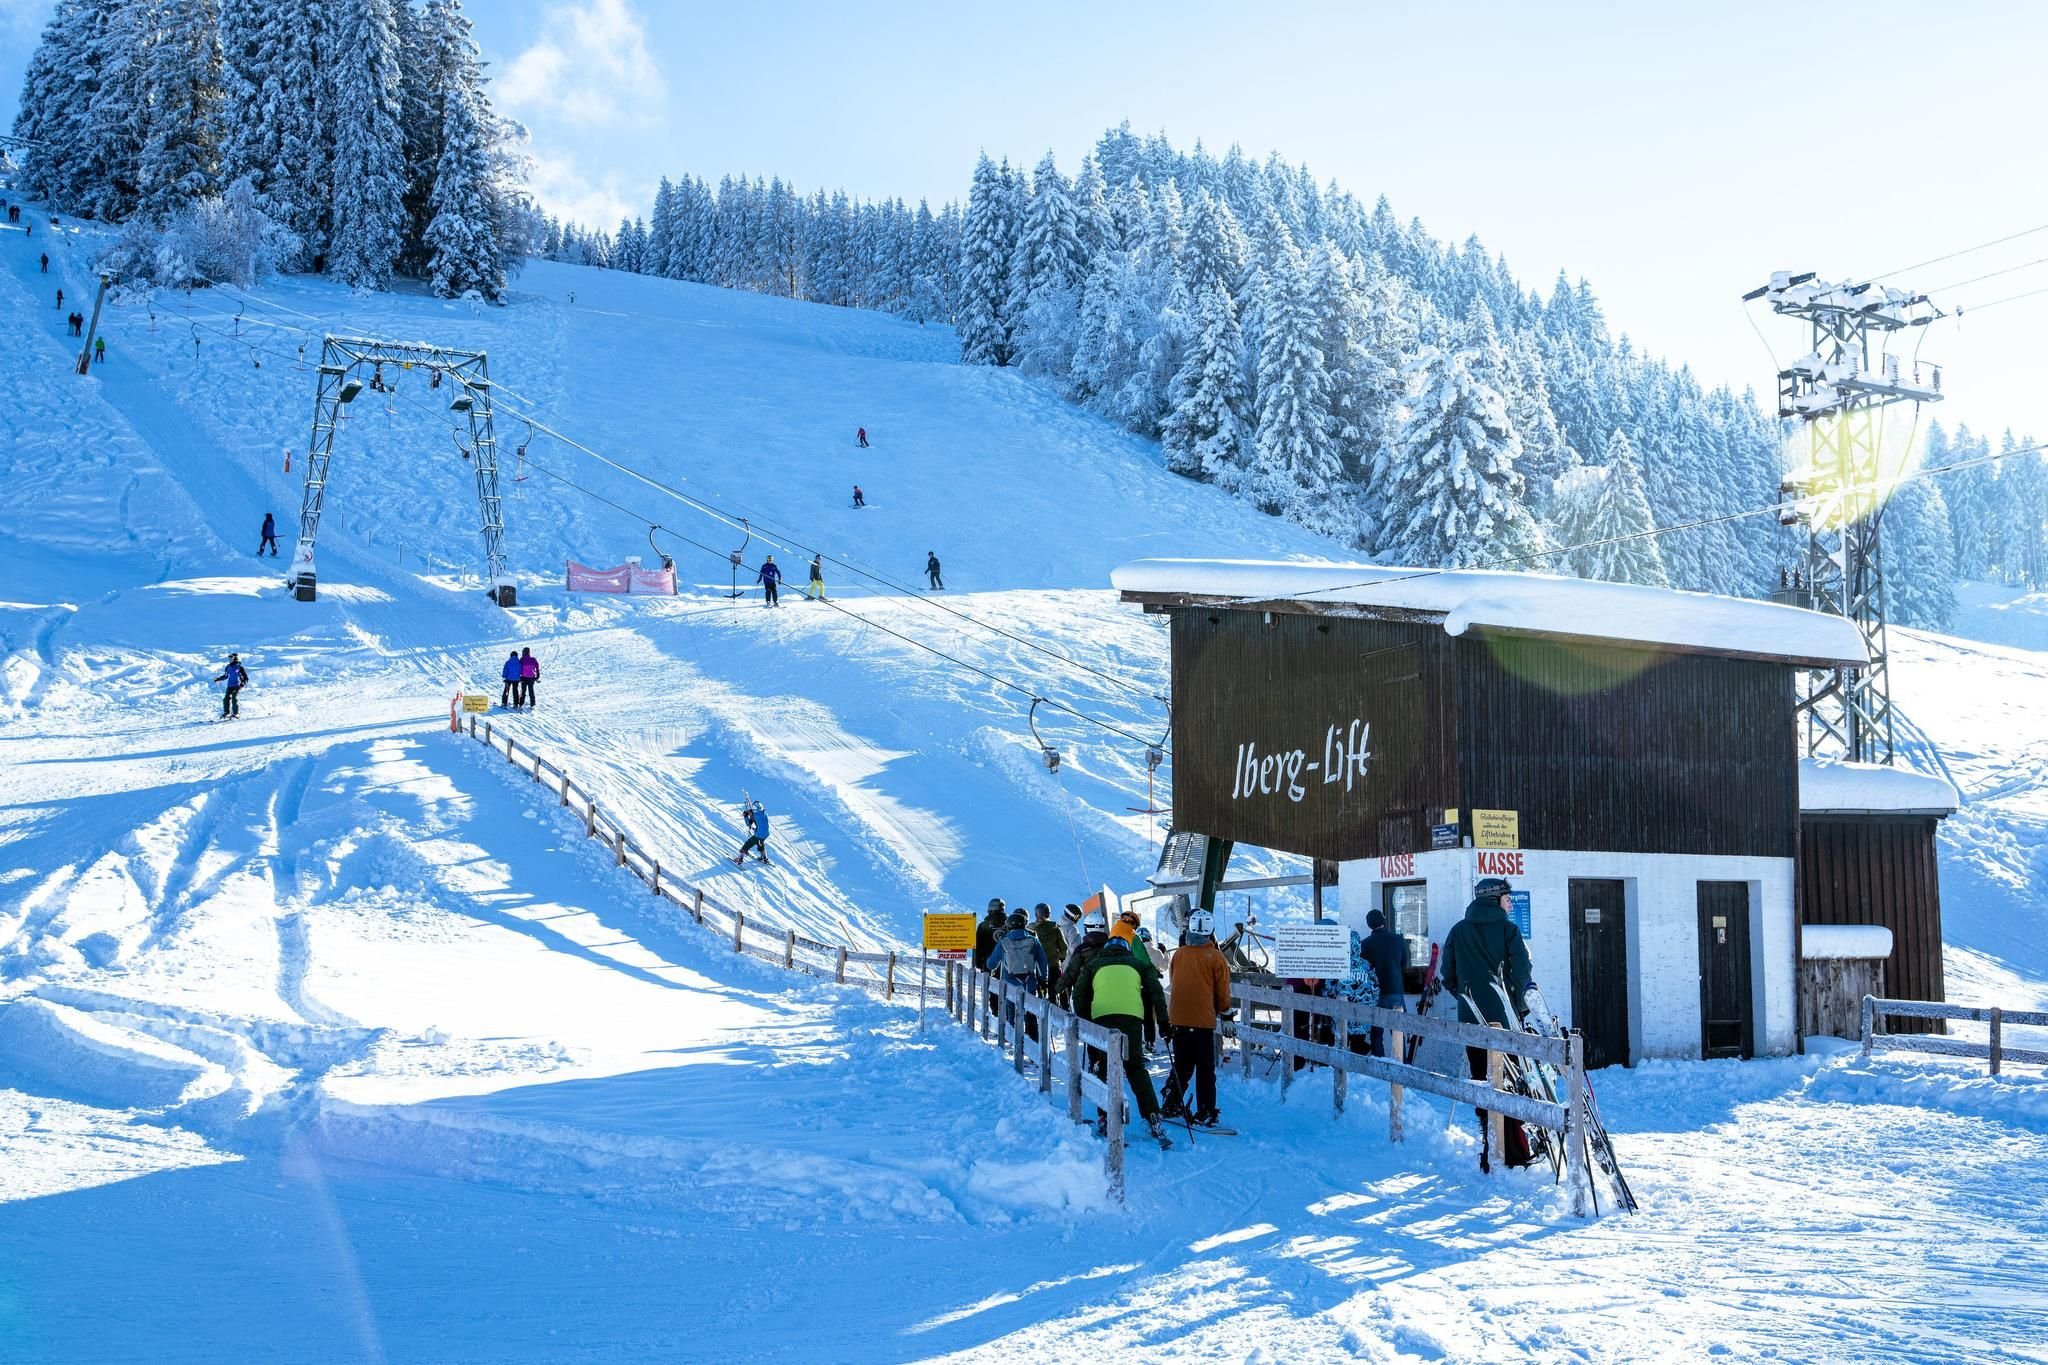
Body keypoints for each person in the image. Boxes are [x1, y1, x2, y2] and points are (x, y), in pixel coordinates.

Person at [1442, 876, 1536, 1172]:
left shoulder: (1458, 931)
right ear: (1495, 899)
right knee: (1511, 1082)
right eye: (1508, 899)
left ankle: (1490, 1144)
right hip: (1506, 1022)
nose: (1510, 904)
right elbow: (1522, 971)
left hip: (1471, 1021)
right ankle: (1514, 1150)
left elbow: (1448, 973)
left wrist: (1466, 997)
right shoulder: (1509, 930)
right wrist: (1521, 1005)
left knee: (1482, 1078)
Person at [1074, 925, 1173, 1145]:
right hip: (1131, 1020)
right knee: (1135, 1068)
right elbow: (1156, 993)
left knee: (1103, 1068)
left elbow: (1078, 993)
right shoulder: (1137, 964)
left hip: (1102, 1020)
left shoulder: (1093, 964)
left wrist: (1084, 1022)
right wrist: (1164, 1023)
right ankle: (1153, 1116)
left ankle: (1105, 1117)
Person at [1162, 907, 1232, 1126]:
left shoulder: (1179, 954)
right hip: (1202, 1020)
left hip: (1179, 1018)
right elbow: (1222, 992)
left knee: (1182, 1065)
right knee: (1204, 1069)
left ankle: (1171, 1102)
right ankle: (1206, 1110)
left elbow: (1174, 980)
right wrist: (1225, 1012)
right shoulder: (1216, 957)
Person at [1320, 931, 1383, 1056]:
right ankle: (1357, 1072)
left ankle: (1340, 1072)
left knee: (1340, 1046)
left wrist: (1328, 1000)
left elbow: (1328, 988)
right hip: (1362, 1018)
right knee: (1358, 1048)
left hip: (1340, 1015)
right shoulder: (1366, 965)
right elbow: (1375, 988)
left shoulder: (1337, 964)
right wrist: (1370, 1006)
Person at [995, 910, 1050, 1040]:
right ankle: (1034, 1043)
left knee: (1011, 1012)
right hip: (1028, 983)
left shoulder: (1004, 942)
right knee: (1030, 1013)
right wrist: (1044, 979)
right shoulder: (1033, 940)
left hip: (1010, 985)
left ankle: (1011, 1041)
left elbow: (991, 963)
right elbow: (1043, 962)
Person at [1361, 909, 1409, 1057]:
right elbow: (1404, 964)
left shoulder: (1365, 944)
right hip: (1395, 989)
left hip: (1374, 993)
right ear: (1384, 921)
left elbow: (1364, 969)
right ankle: (1402, 1065)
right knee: (1398, 1032)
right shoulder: (1398, 939)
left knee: (1376, 1034)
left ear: (1369, 924)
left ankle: (1378, 1065)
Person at [1054, 905, 1111, 1003]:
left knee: (1068, 995)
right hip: (1073, 966)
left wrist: (1058, 987)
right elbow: (1075, 949)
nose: (1077, 920)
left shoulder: (1058, 927)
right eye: (1077, 917)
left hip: (1062, 965)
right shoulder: (1072, 929)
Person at [1030, 904, 1067, 997]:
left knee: (1039, 994)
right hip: (1054, 965)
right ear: (1049, 913)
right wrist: (1060, 957)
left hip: (1037, 966)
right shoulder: (1055, 928)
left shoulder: (1031, 929)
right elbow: (1063, 947)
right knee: (1054, 992)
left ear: (1036, 914)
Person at [972, 898, 1007, 972]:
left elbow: (978, 946)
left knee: (988, 983)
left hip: (988, 963)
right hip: (1006, 964)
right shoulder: (1010, 924)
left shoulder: (984, 925)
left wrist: (978, 963)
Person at [212, 652, 249, 719]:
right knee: (226, 699)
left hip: (237, 685)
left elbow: (246, 677)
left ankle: (236, 713)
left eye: (231, 658)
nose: (230, 660)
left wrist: (242, 683)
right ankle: (227, 713)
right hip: (230, 685)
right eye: (229, 658)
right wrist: (218, 679)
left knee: (234, 698)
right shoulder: (228, 667)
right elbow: (226, 676)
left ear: (235, 658)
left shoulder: (240, 667)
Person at [733, 800, 770, 865]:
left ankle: (740, 859)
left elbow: (749, 824)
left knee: (747, 844)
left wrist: (746, 816)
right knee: (760, 843)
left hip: (758, 835)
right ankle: (764, 858)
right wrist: (751, 813)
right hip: (765, 834)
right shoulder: (764, 813)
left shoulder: (754, 815)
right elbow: (757, 816)